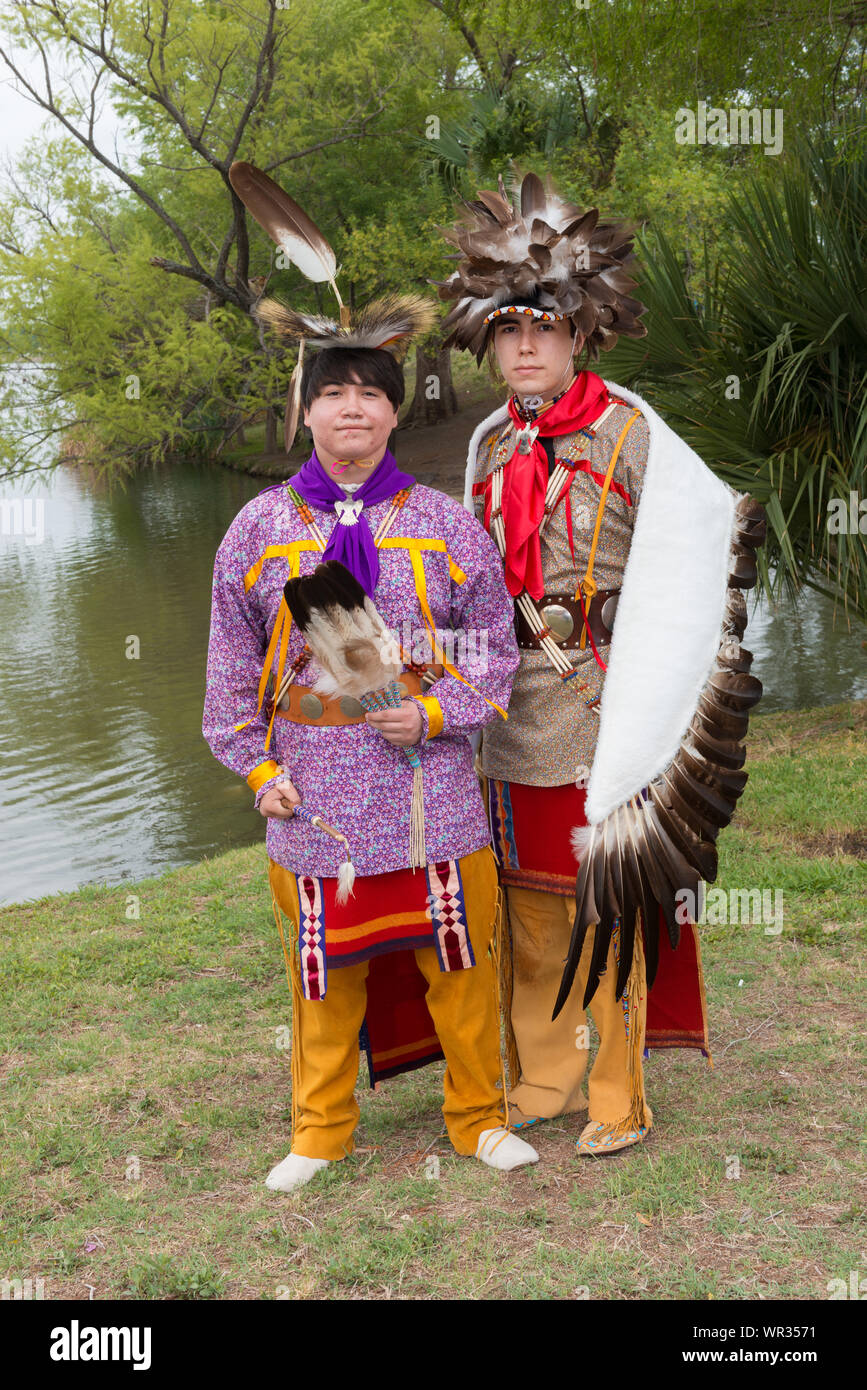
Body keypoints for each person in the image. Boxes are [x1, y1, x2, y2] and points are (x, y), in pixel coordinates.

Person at [202, 162, 538, 1193]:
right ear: (305, 410)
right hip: (314, 787)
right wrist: (260, 774)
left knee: (460, 965)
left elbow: (497, 645)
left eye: (371, 394)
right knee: (323, 977)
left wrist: (438, 711)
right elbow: (227, 676)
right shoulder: (259, 529)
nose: (353, 408)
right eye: (333, 392)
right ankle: (320, 1128)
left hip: (431, 785)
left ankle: (478, 1116)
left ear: (396, 411)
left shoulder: (447, 523)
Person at [438, 172, 765, 1156]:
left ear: (580, 330)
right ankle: (545, 1078)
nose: (526, 343)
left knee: (605, 898)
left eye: (545, 325)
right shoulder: (490, 442)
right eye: (510, 328)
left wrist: (659, 654)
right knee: (531, 900)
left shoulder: (629, 430)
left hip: (607, 701)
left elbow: (714, 531)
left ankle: (618, 1095)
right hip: (511, 708)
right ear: (491, 340)